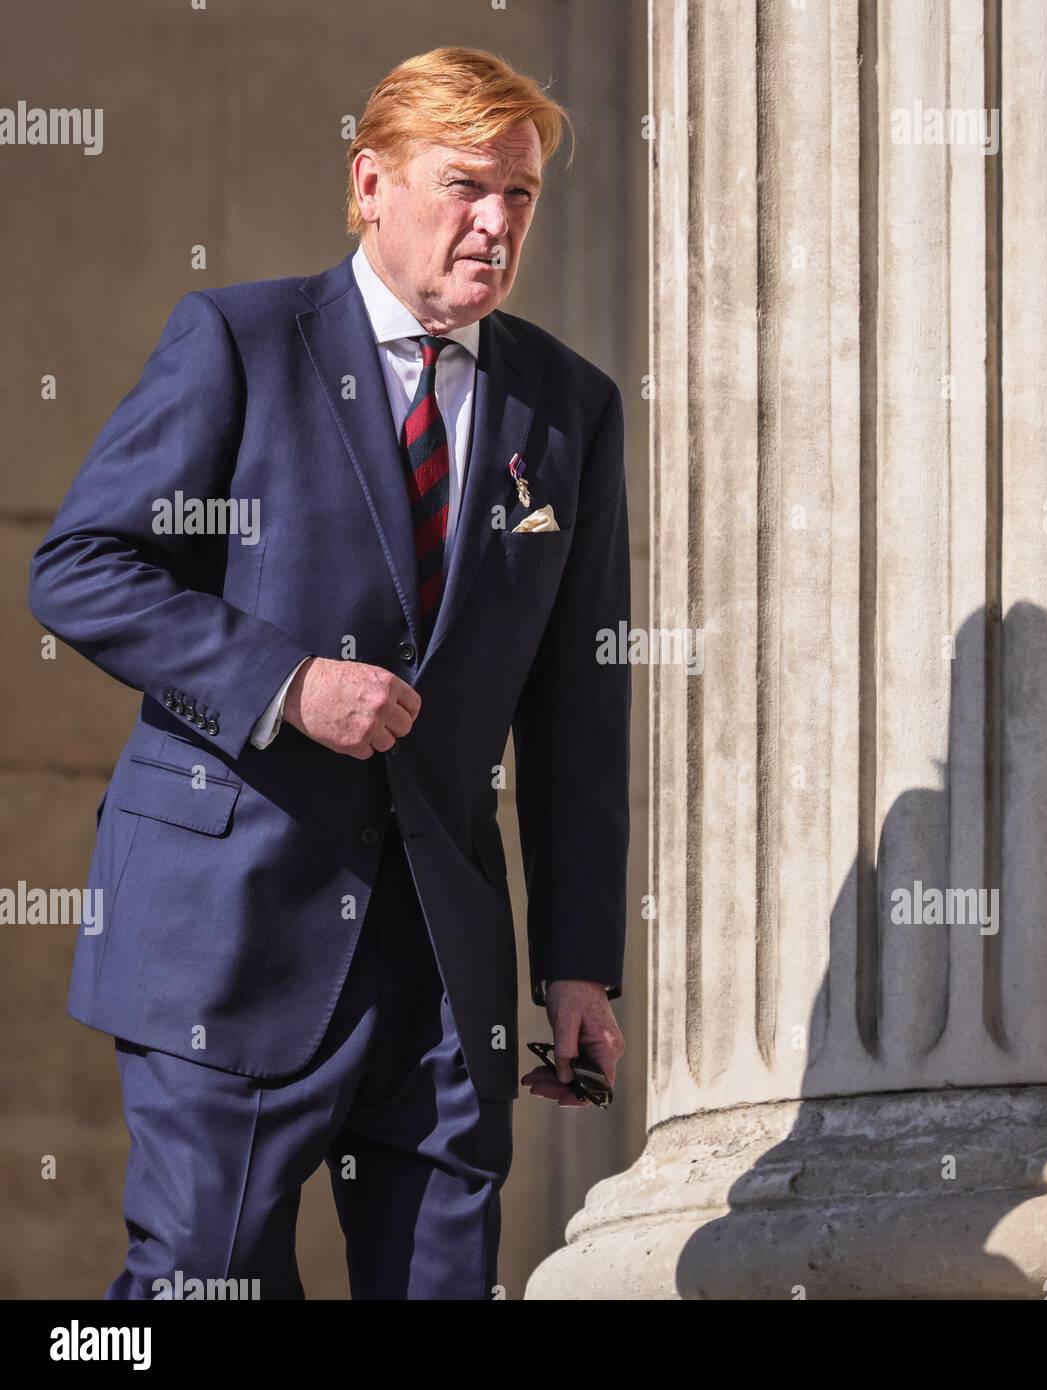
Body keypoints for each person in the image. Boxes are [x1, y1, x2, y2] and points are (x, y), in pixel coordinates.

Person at [27, 45, 630, 1300]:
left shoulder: (569, 408)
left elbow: (578, 706)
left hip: (441, 963)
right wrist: (287, 683)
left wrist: (575, 961)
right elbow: (81, 567)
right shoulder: (239, 340)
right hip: (229, 929)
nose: (495, 223)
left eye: (519, 197)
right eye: (466, 185)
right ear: (369, 183)